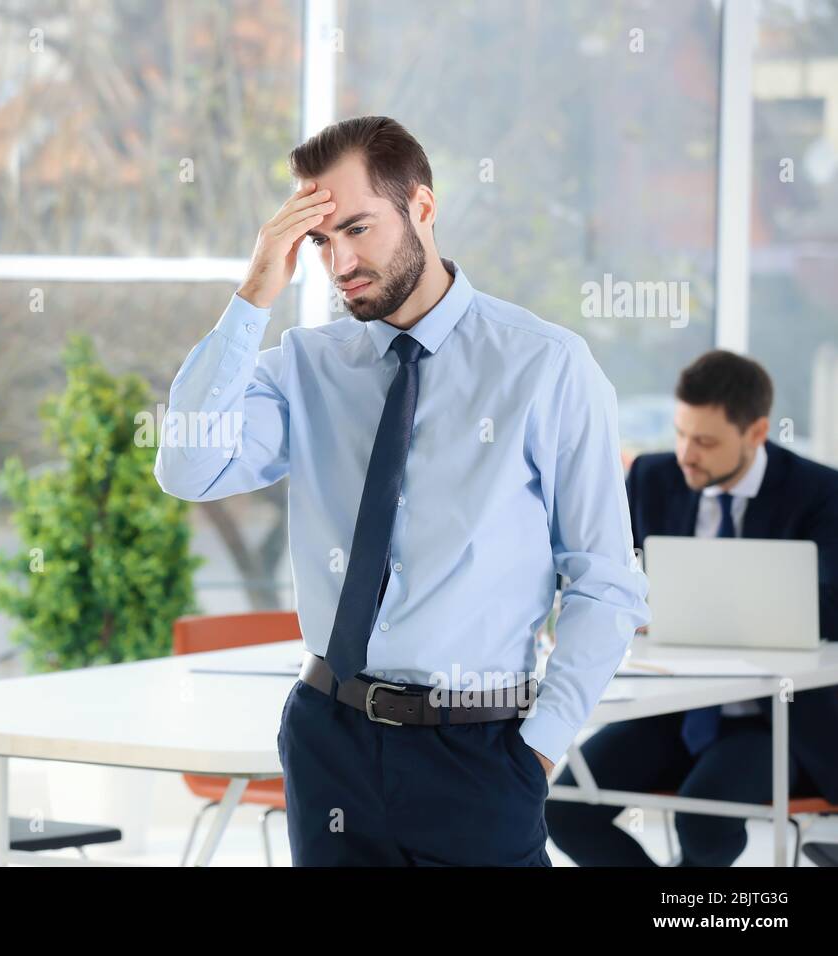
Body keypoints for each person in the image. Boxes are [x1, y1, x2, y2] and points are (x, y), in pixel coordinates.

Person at [155, 115, 650, 866]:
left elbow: (605, 583)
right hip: (331, 740)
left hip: (482, 754)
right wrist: (254, 292)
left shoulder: (545, 367)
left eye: (357, 227)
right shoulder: (307, 366)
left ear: (422, 206)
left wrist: (539, 752)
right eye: (320, 241)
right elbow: (187, 468)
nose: (340, 261)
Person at [546, 350, 838, 866]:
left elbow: (832, 612)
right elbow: (611, 581)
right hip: (674, 707)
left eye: (705, 441)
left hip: (773, 718)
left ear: (756, 432)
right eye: (681, 434)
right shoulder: (651, 478)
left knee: (702, 821)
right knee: (565, 808)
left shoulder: (819, 492)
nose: (686, 454)